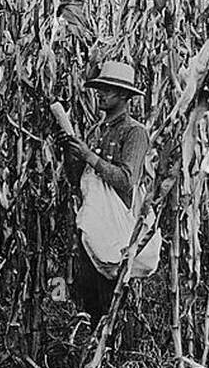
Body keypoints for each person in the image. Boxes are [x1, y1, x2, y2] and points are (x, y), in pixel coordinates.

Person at [60, 61, 150, 325]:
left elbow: (126, 180)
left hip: (117, 227)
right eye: (100, 88)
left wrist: (89, 156)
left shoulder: (135, 132)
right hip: (93, 222)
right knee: (89, 289)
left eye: (108, 89)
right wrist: (71, 152)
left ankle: (114, 351)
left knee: (113, 293)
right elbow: (78, 180)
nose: (100, 94)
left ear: (124, 95)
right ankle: (90, 348)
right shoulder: (97, 131)